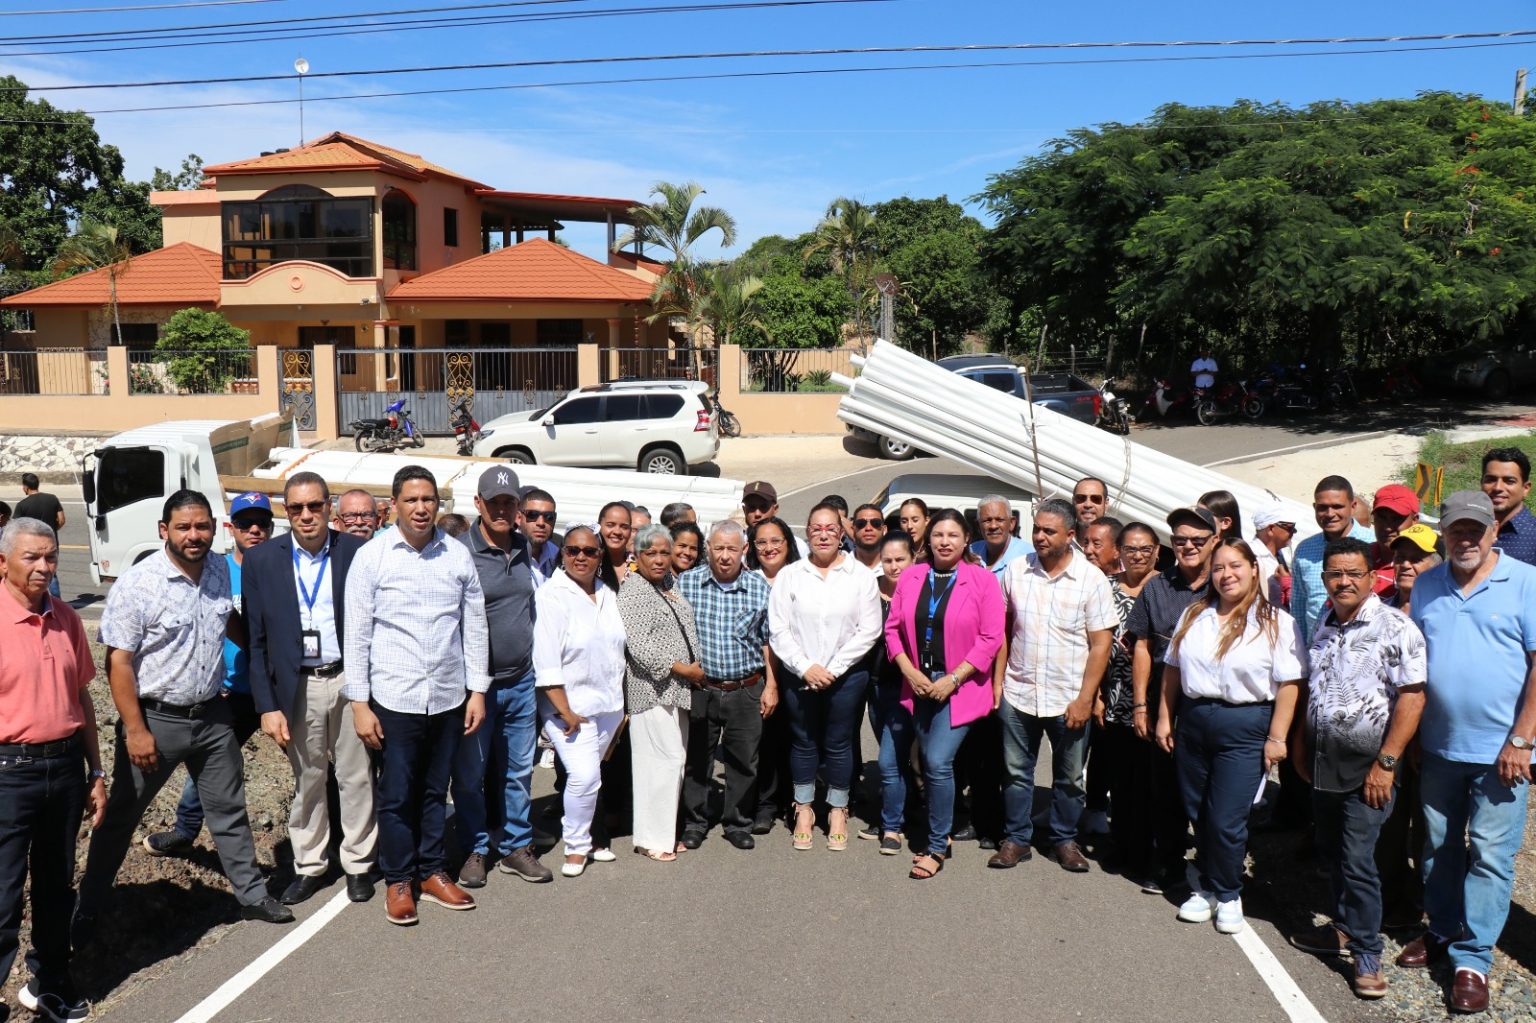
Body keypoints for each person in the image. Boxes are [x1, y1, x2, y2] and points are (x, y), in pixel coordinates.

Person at [77, 491, 294, 942]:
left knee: (229, 810)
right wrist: (135, 730)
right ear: (164, 531)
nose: (193, 536)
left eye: (201, 527)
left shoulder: (217, 569)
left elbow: (228, 619)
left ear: (214, 528)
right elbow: (117, 662)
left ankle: (252, 897)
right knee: (121, 817)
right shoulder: (139, 584)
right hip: (156, 720)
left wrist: (259, 650)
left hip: (212, 716)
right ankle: (89, 905)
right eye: (183, 527)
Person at [1399, 491, 1536, 1014]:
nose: (1466, 538)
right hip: (1437, 747)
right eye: (1456, 529)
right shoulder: (1429, 584)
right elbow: (1414, 668)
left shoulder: (1525, 582)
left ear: (1494, 532)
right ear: (1444, 533)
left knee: (1491, 855)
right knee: (1436, 845)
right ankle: (1443, 930)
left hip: (1503, 751)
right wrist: (1410, 739)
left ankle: (1472, 958)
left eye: (1476, 529)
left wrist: (1522, 739)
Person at [344, 465, 489, 926]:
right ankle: (399, 879)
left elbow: (475, 626)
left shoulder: (456, 556)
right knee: (396, 794)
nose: (422, 508)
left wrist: (478, 690)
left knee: (434, 791)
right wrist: (360, 703)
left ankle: (432, 871)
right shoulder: (373, 557)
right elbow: (357, 634)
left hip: (447, 695)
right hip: (394, 695)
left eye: (429, 499)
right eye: (412, 500)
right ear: (394, 505)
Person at [1288, 537, 1426, 1000]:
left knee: (1358, 857)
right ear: (1324, 578)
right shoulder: (1324, 621)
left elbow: (1412, 697)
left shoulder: (1396, 627)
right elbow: (1316, 689)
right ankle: (1344, 928)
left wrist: (1387, 763)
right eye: (1334, 574)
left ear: (1371, 577)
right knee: (1330, 851)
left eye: (1353, 574)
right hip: (1324, 760)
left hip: (1371, 766)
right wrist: (1302, 746)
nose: (1343, 582)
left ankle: (1367, 951)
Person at [239, 475, 376, 906]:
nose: (305, 516)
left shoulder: (356, 552)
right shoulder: (262, 561)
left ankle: (358, 863)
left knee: (356, 776)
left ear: (328, 507)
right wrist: (267, 705)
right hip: (298, 684)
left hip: (349, 679)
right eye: (296, 508)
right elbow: (256, 639)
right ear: (285, 511)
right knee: (308, 778)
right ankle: (311, 865)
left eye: (314, 507)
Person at [1157, 537, 1304, 935]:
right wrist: (1164, 718)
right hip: (1195, 720)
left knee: (1226, 818)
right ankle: (1205, 885)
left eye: (1235, 566)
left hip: (1246, 724)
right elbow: (1172, 669)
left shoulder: (1276, 622)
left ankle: (1228, 892)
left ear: (1254, 569)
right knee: (1198, 811)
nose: (1226, 575)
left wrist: (1277, 737)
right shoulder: (1195, 615)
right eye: (1219, 568)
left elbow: (1289, 683)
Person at [0, 518, 106, 1023]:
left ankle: (48, 984)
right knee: (1, 893)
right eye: (30, 558)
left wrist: (97, 771)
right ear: (3, 562)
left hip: (64, 769)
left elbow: (82, 696)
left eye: (50, 557)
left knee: (55, 888)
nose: (43, 567)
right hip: (7, 774)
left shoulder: (66, 618)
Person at [141, 493, 271, 864]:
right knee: (208, 767)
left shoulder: (282, 567)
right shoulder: (216, 569)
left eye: (262, 522)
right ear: (230, 528)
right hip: (231, 692)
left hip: (276, 690)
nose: (255, 530)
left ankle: (337, 829)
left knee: (311, 761)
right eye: (246, 523)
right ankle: (185, 831)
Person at [990, 498, 1115, 874]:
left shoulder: (1090, 580)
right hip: (1019, 692)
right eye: (1036, 529)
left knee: (1070, 777)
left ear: (1071, 535)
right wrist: (999, 685)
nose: (1040, 537)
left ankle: (1063, 839)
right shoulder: (1015, 570)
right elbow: (1003, 632)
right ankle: (1016, 838)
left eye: (1049, 531)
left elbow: (1101, 644)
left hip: (1068, 698)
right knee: (1015, 773)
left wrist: (1085, 698)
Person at [884, 510, 1004, 878]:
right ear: (928, 539)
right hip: (918, 683)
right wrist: (908, 670)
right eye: (938, 534)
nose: (944, 541)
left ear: (966, 539)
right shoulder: (913, 576)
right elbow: (893, 629)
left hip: (961, 686)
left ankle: (936, 845)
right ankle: (942, 832)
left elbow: (990, 638)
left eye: (953, 535)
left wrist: (953, 679)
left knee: (937, 761)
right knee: (927, 765)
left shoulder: (982, 581)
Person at [451, 469, 550, 887]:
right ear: (478, 504)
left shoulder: (525, 548)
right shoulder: (458, 553)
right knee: (471, 774)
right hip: (477, 687)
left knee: (518, 771)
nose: (503, 510)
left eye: (510, 503)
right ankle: (476, 847)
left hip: (521, 682)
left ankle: (515, 846)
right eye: (495, 503)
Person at [769, 503, 881, 852]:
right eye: (816, 528)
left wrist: (833, 668)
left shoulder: (860, 575)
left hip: (845, 677)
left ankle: (837, 809)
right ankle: (803, 808)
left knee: (839, 743)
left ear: (841, 532)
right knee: (803, 743)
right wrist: (805, 666)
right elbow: (778, 629)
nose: (823, 534)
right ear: (807, 532)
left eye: (830, 528)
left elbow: (870, 629)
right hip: (799, 674)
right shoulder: (791, 575)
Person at [1124, 506, 1218, 895]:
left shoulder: (1227, 582)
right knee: (1165, 784)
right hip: (1164, 693)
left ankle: (1218, 869)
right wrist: (1141, 705)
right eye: (1180, 540)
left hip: (1213, 698)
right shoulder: (1157, 587)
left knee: (1212, 786)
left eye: (1198, 539)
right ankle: (1170, 863)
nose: (1188, 547)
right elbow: (1142, 645)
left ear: (1215, 540)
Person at [677, 521, 777, 850]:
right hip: (702, 687)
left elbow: (768, 641)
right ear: (708, 549)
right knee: (697, 759)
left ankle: (736, 822)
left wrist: (771, 684)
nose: (724, 556)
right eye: (718, 548)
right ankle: (696, 821)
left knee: (743, 760)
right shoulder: (687, 583)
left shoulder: (760, 588)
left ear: (744, 551)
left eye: (731, 549)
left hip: (746, 688)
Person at [534, 526, 626, 877]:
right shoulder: (551, 596)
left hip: (609, 707)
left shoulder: (607, 592)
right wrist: (564, 710)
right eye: (573, 550)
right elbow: (546, 661)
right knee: (584, 776)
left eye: (589, 551)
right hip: (570, 710)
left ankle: (593, 836)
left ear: (600, 556)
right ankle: (576, 846)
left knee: (594, 776)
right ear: (563, 554)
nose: (581, 557)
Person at [619, 525, 702, 862]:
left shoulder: (669, 584)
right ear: (637, 556)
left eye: (664, 553)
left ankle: (662, 834)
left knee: (671, 762)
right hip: (651, 690)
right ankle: (652, 839)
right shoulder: (634, 591)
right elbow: (640, 648)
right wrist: (686, 669)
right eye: (650, 553)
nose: (658, 559)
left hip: (676, 691)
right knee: (660, 762)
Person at [1093, 522, 1159, 879]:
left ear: (1157, 552)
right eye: (1130, 549)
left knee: (1150, 783)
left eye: (1145, 549)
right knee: (1120, 781)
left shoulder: (1166, 587)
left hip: (1156, 700)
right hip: (1115, 697)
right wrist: (1098, 696)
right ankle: (1121, 846)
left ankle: (1148, 853)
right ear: (1118, 551)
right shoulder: (1104, 588)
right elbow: (1096, 645)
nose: (1137, 555)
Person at [747, 515, 801, 833]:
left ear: (787, 543)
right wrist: (770, 680)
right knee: (765, 740)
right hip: (759, 673)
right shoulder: (748, 579)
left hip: (799, 671)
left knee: (797, 740)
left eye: (776, 541)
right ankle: (766, 805)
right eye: (762, 542)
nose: (769, 548)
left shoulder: (802, 575)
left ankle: (797, 802)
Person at [865, 532, 917, 851]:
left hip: (906, 687)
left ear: (913, 559)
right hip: (874, 685)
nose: (894, 566)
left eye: (900, 559)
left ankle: (892, 827)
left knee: (888, 760)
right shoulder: (870, 592)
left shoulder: (922, 593)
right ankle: (899, 811)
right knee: (896, 759)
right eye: (888, 560)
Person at [1292, 475, 1376, 646]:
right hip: (1316, 654)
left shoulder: (1373, 544)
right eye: (1323, 508)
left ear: (1353, 507)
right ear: (1315, 508)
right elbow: (1299, 609)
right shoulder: (1304, 551)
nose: (1330, 514)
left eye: (1337, 507)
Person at [1480, 446, 1536, 566]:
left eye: (1509, 481)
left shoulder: (1533, 534)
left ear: (1525, 488)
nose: (1498, 488)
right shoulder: (1469, 529)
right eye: (1490, 480)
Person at [15, 472, 65, 599]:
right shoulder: (52, 498)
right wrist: (51, 530)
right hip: (51, 543)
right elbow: (62, 520)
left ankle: (34, 602)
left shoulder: (22, 505)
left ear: (25, 487)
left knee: (31, 573)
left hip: (31, 546)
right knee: (51, 573)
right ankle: (56, 602)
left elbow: (17, 527)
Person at [1368, 484, 1420, 592]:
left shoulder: (1422, 568)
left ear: (1415, 520)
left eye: (1396, 519)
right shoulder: (1360, 558)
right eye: (1381, 518)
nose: (1387, 527)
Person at [742, 481, 808, 557]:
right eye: (751, 508)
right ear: (744, 510)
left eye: (763, 507)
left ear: (775, 509)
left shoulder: (798, 546)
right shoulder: (736, 546)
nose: (757, 514)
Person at [1385, 523, 1440, 612]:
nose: (1405, 565)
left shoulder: (1445, 615)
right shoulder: (1380, 611)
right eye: (1400, 557)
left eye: (1416, 560)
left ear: (1438, 568)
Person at [1251, 501, 1296, 609]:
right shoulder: (1250, 555)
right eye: (1290, 527)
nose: (1294, 531)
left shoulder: (1282, 554)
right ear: (1271, 529)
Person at [971, 495, 1030, 577]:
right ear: (978, 526)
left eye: (999, 520)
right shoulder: (969, 552)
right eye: (987, 520)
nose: (993, 526)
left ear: (1012, 523)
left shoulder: (1029, 556)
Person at [518, 487, 560, 579]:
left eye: (549, 516)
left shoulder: (558, 555)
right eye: (532, 515)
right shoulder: (506, 554)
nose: (541, 523)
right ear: (519, 518)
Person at [596, 501, 633, 590]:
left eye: (624, 527)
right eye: (610, 525)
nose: (617, 532)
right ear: (598, 526)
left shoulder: (640, 565)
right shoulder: (586, 561)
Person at [850, 502, 887, 572]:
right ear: (853, 530)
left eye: (876, 523)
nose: (868, 528)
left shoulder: (897, 568)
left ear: (884, 530)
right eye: (861, 524)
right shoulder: (840, 567)